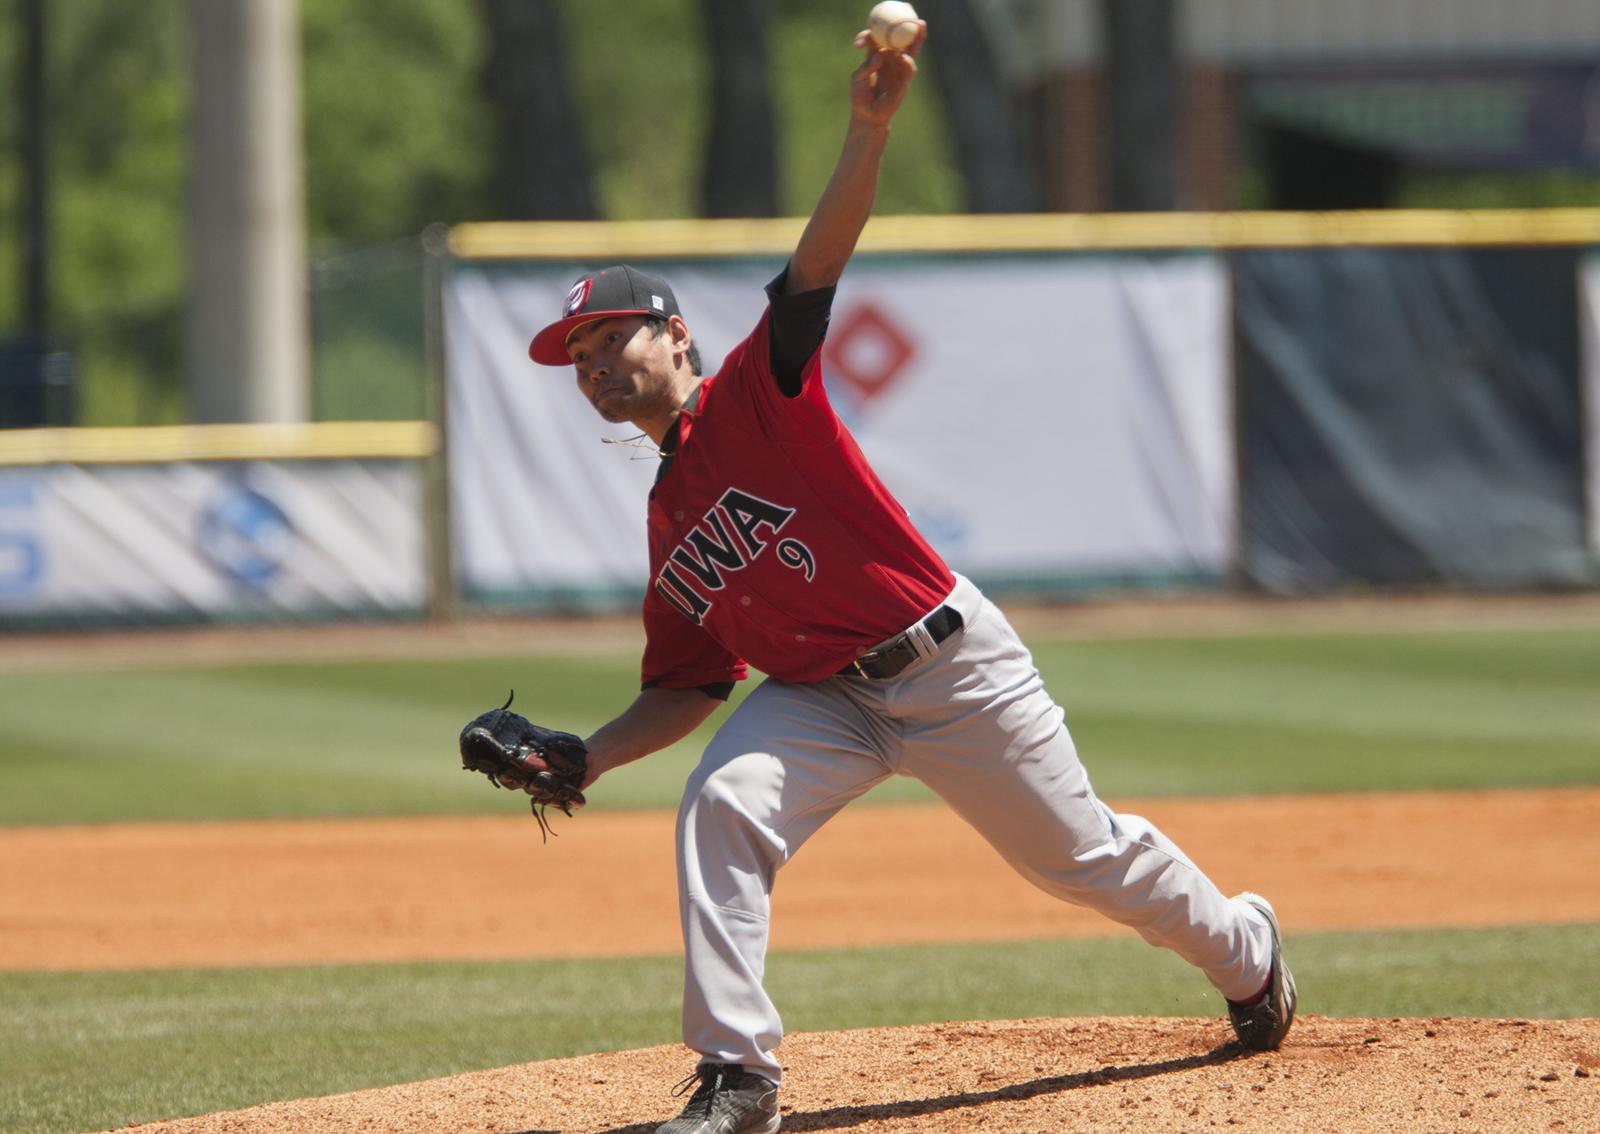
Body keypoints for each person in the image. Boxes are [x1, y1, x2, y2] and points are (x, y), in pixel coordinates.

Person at [526, 20, 1295, 1134]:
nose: (595, 366)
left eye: (609, 339)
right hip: (820, 700)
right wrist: (584, 754)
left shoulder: (755, 393)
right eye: (579, 359)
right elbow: (692, 684)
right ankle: (739, 1077)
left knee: (1080, 861)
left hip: (948, 665)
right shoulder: (668, 515)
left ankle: (1245, 949)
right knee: (724, 803)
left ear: (674, 335)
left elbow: (816, 267)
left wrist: (867, 130)